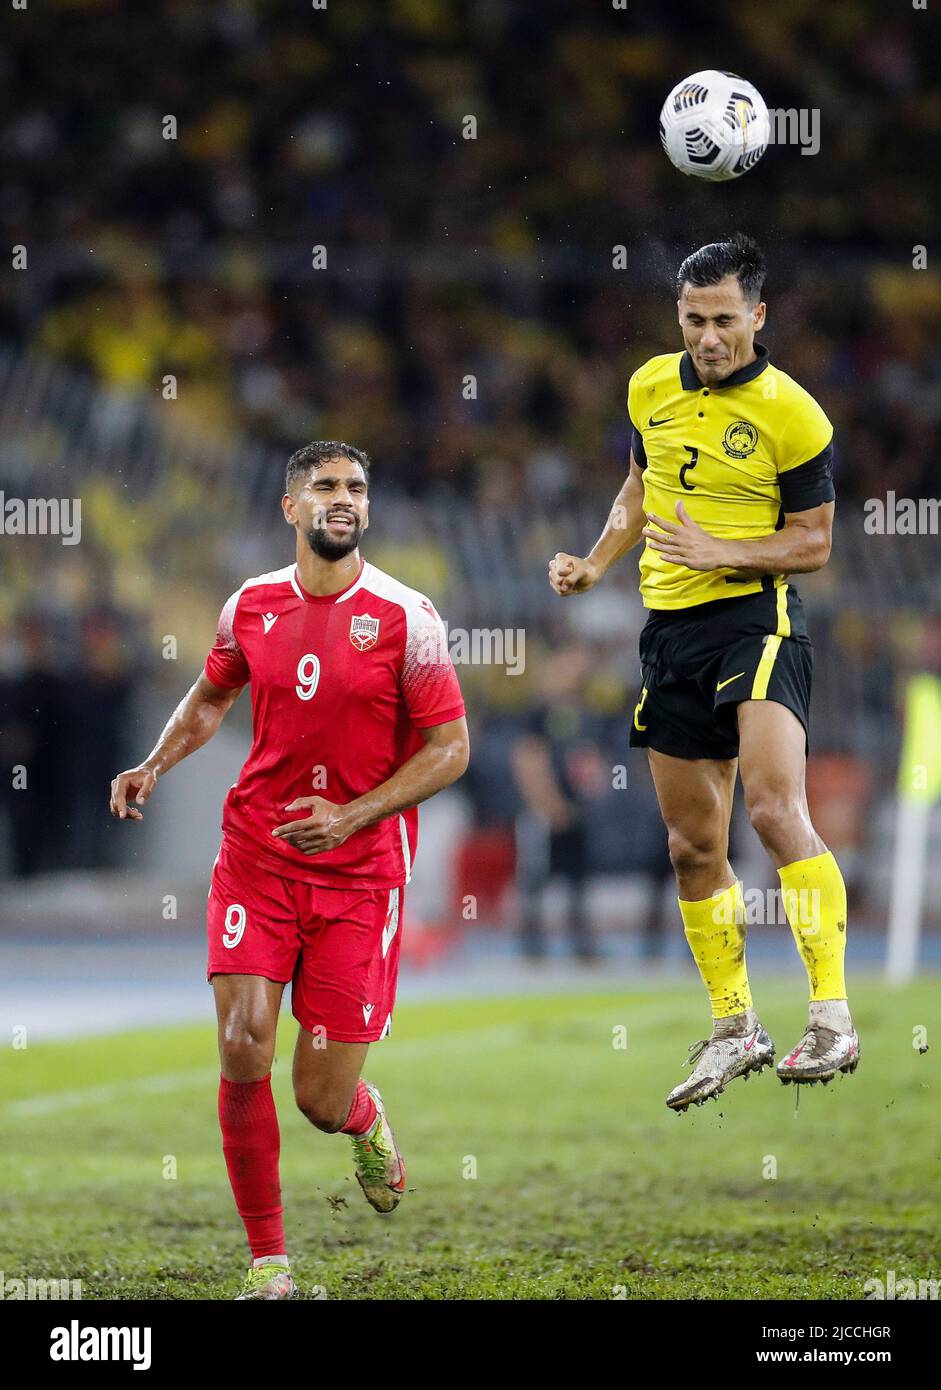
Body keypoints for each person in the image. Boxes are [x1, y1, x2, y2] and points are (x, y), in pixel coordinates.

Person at [110, 440, 468, 1296]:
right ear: (290, 507)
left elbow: (449, 748)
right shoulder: (250, 604)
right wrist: (154, 764)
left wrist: (350, 814)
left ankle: (364, 1118)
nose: (342, 498)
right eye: (324, 486)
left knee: (317, 1100)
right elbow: (210, 697)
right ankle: (268, 1263)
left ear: (367, 508)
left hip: (360, 875)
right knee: (242, 1044)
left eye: (356, 488)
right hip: (256, 856)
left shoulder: (407, 617)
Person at [548, 233, 858, 1111]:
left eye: (724, 319)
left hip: (755, 619)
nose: (708, 337)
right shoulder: (649, 385)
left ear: (757, 316)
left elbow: (813, 542)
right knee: (690, 848)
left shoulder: (794, 414)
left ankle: (831, 1016)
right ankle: (734, 1028)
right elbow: (637, 488)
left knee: (771, 809)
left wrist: (722, 550)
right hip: (668, 633)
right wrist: (595, 563)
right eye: (693, 320)